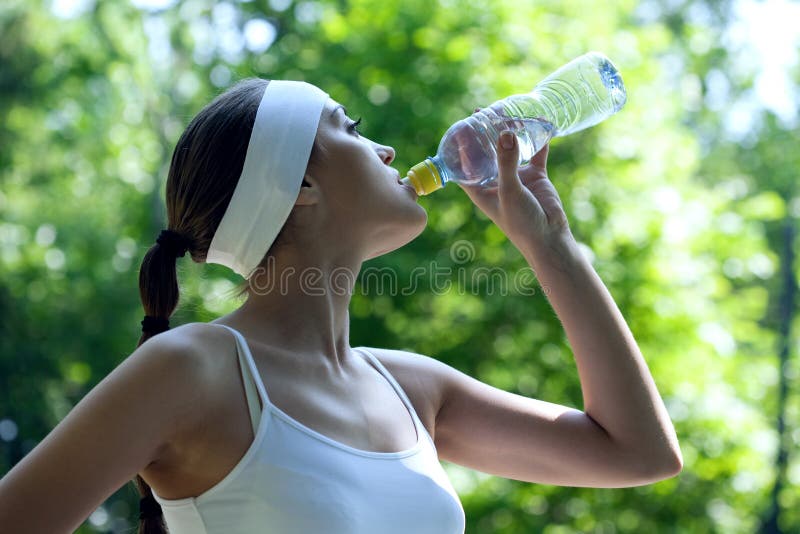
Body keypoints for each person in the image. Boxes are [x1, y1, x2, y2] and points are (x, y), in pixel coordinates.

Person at [0, 78, 682, 534]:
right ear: (297, 184)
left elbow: (638, 452)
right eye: (349, 129)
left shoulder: (414, 389)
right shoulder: (193, 369)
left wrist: (552, 244)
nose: (386, 148)